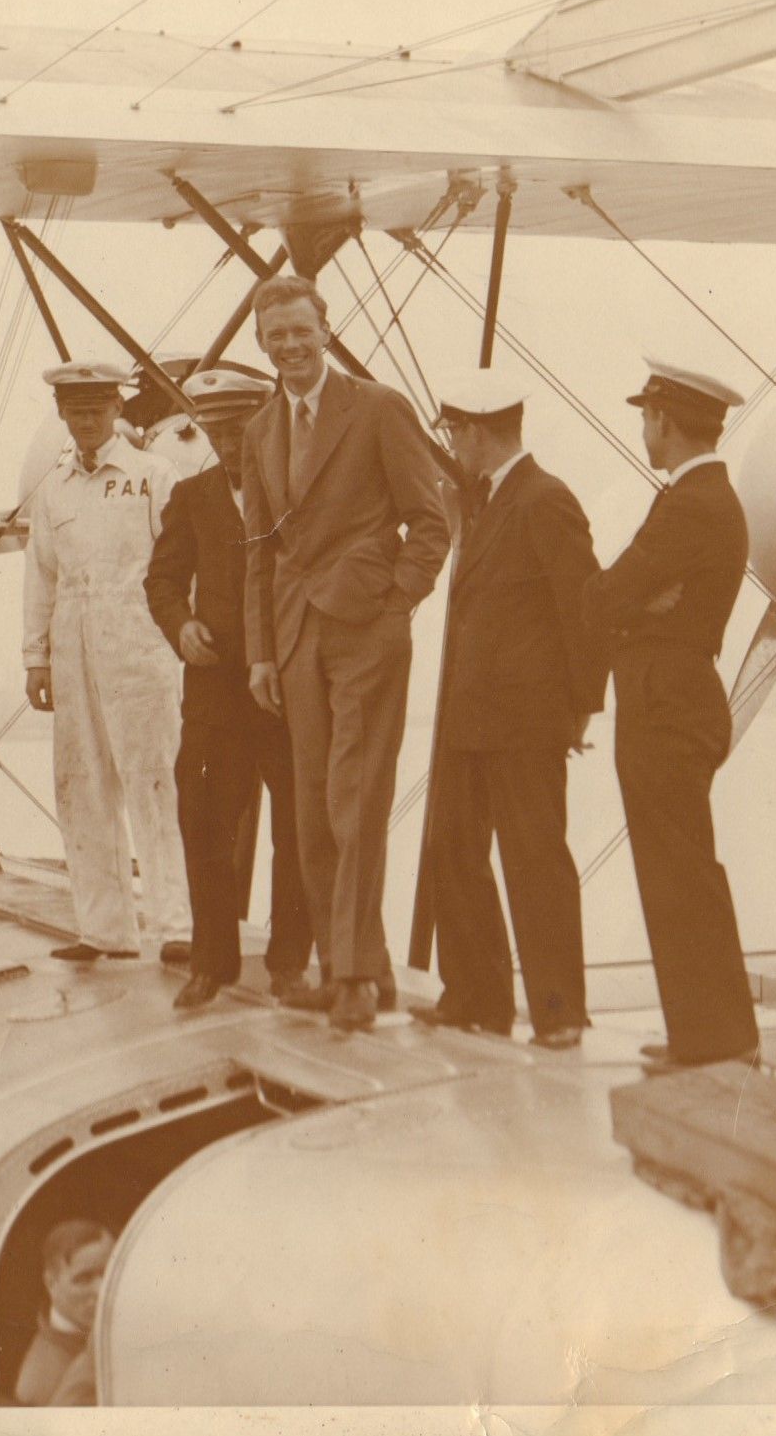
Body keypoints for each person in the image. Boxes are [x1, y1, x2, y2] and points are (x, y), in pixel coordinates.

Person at [239, 275, 451, 1031]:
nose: (289, 346)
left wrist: (397, 604)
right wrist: (261, 652)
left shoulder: (379, 408)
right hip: (295, 637)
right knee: (312, 814)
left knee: (353, 799)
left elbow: (432, 520)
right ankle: (354, 965)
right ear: (260, 343)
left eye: (300, 331)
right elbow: (259, 551)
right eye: (275, 336)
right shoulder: (259, 430)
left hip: (365, 629)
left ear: (325, 330)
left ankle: (354, 975)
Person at [412, 370, 605, 1048]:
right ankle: (476, 997)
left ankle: (558, 1013)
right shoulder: (488, 500)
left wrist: (581, 707)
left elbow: (582, 607)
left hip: (524, 720)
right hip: (469, 717)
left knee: (534, 861)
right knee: (451, 851)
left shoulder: (545, 499)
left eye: (454, 432)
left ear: (476, 431)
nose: (452, 445)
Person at [582, 359, 759, 1072]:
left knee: (676, 871)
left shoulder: (690, 504)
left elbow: (602, 596)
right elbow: (623, 598)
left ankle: (712, 1037)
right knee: (679, 868)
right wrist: (633, 609)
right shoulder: (705, 496)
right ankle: (707, 1031)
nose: (644, 428)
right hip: (675, 692)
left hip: (664, 701)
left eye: (647, 415)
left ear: (663, 419)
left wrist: (627, 610)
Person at [145, 369, 314, 1009]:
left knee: (298, 826)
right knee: (204, 819)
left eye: (236, 427)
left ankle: (290, 964)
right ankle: (211, 963)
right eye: (212, 429)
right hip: (215, 690)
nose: (225, 441)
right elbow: (161, 583)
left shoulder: (300, 490)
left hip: (289, 689)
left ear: (264, 420)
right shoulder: (192, 497)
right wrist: (180, 625)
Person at [22, 361, 193, 965]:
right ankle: (105, 929)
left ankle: (177, 926)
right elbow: (41, 577)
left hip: (138, 641)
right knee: (82, 784)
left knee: (154, 781)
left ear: (118, 410)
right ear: (62, 415)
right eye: (74, 410)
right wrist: (36, 657)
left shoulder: (155, 476)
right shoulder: (54, 488)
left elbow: (176, 567)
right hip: (73, 643)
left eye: (96, 408)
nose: (85, 420)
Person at [14, 1218, 112, 1405]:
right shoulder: (41, 1378)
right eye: (84, 1278)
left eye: (109, 1273)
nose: (102, 1290)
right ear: (51, 1283)